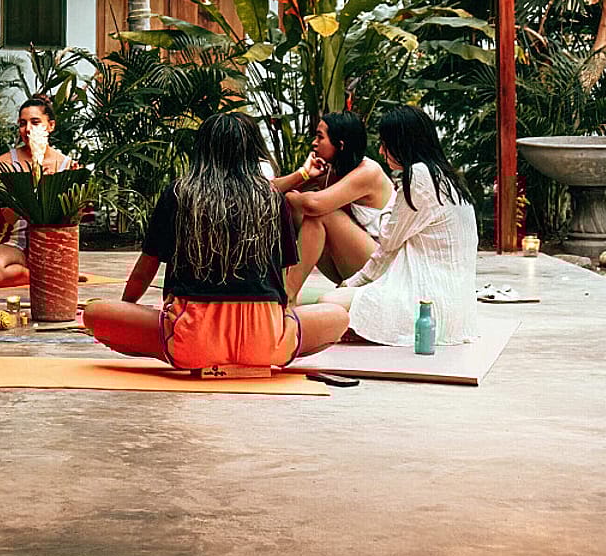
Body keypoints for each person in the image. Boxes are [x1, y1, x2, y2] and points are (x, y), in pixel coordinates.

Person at [84, 112, 349, 369]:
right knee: (338, 316)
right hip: (266, 341)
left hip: (190, 341)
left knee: (95, 314)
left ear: (201, 150)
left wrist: (127, 309)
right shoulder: (272, 198)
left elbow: (145, 269)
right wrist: (284, 318)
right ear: (253, 152)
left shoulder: (178, 193)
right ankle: (257, 354)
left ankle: (188, 350)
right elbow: (284, 280)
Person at [318, 106, 478, 346]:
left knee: (326, 305)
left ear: (402, 143)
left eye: (385, 144)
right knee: (336, 304)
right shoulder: (446, 177)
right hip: (457, 308)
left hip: (425, 300)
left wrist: (351, 283)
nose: (381, 151)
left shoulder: (419, 176)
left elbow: (388, 245)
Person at [271, 111, 395, 305]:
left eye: (320, 137)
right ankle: (281, 288)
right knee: (294, 208)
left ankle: (287, 296)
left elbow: (314, 205)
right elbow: (267, 190)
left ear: (341, 144)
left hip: (382, 269)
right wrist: (303, 174)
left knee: (321, 214)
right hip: (351, 266)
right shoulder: (330, 171)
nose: (314, 143)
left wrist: (291, 197)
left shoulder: (368, 172)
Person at [0, 95, 74, 287]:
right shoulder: (5, 163)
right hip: (16, 242)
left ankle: (48, 270)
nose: (27, 129)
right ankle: (39, 276)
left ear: (51, 126)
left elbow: (70, 218)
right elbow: (7, 215)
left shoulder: (67, 165)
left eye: (35, 122)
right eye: (22, 123)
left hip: (52, 245)